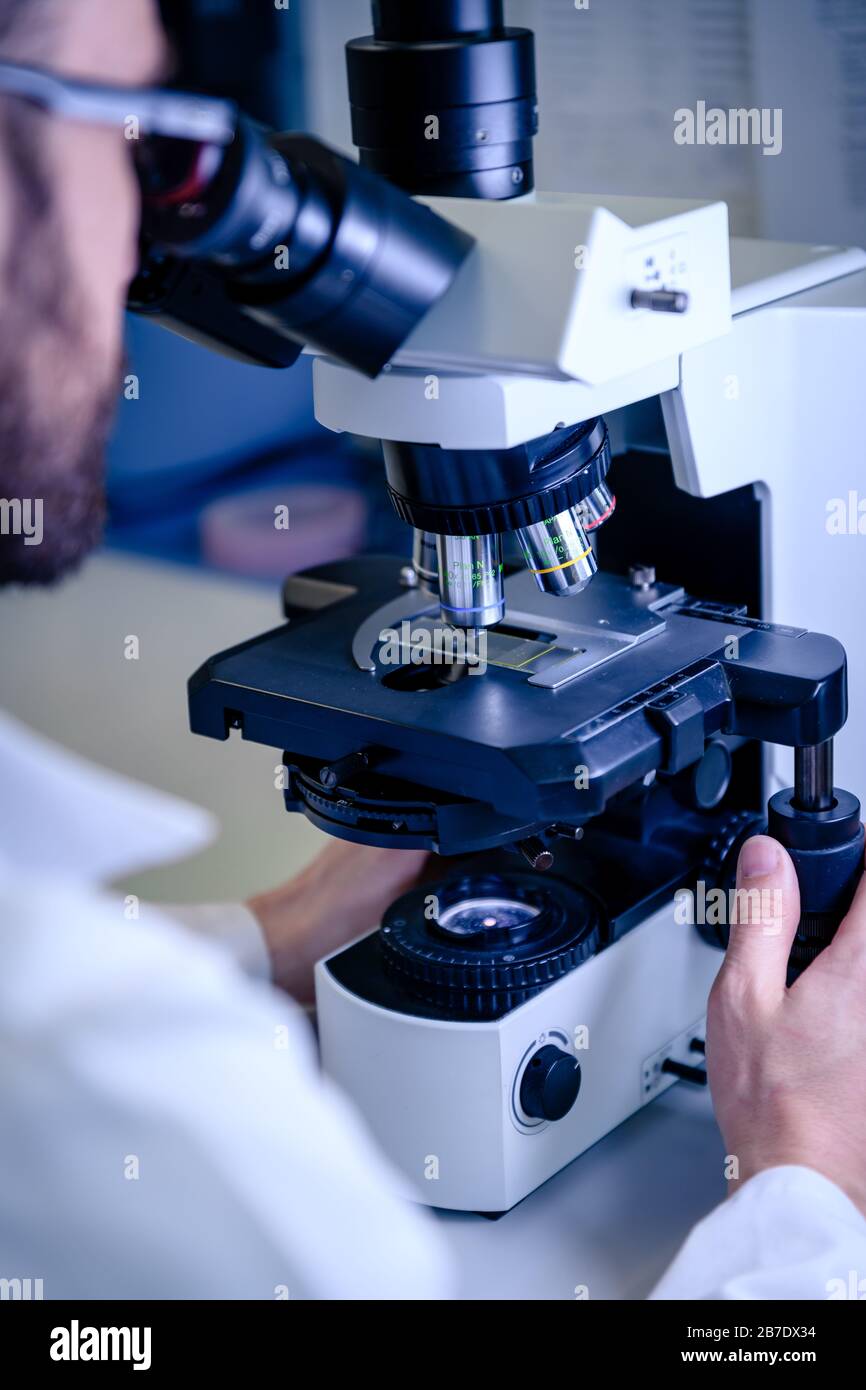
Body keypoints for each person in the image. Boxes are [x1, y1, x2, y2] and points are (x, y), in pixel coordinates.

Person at [0, 0, 863, 1301]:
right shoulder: (133, 1083)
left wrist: (269, 936)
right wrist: (804, 1178)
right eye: (134, 136)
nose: (141, 218)